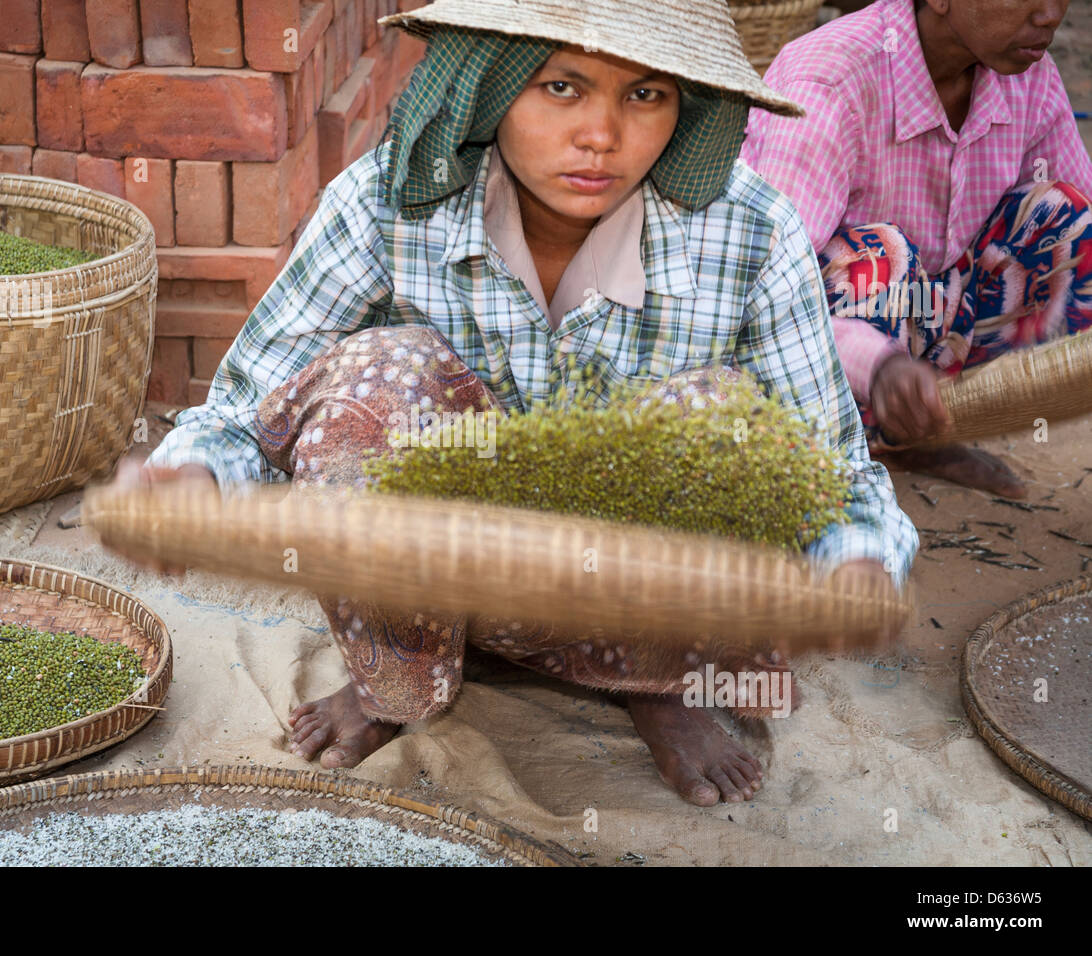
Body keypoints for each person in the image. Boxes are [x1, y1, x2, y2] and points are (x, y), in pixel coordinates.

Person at [103, 0, 919, 807]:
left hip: (649, 588)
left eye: (645, 95)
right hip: (449, 575)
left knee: (721, 419)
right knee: (380, 376)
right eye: (562, 88)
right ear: (492, 86)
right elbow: (246, 405)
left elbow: (833, 471)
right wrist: (196, 479)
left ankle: (659, 681)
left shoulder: (751, 232)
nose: (602, 134)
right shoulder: (390, 201)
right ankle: (399, 679)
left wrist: (856, 567)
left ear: (686, 107)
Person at [741, 0, 1092, 498]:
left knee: (1067, 224)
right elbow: (758, 294)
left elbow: (1080, 223)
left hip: (935, 324)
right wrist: (877, 365)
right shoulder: (827, 84)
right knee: (880, 257)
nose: (1050, 15)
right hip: (810, 344)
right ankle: (849, 436)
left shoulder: (1029, 76)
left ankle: (927, 426)